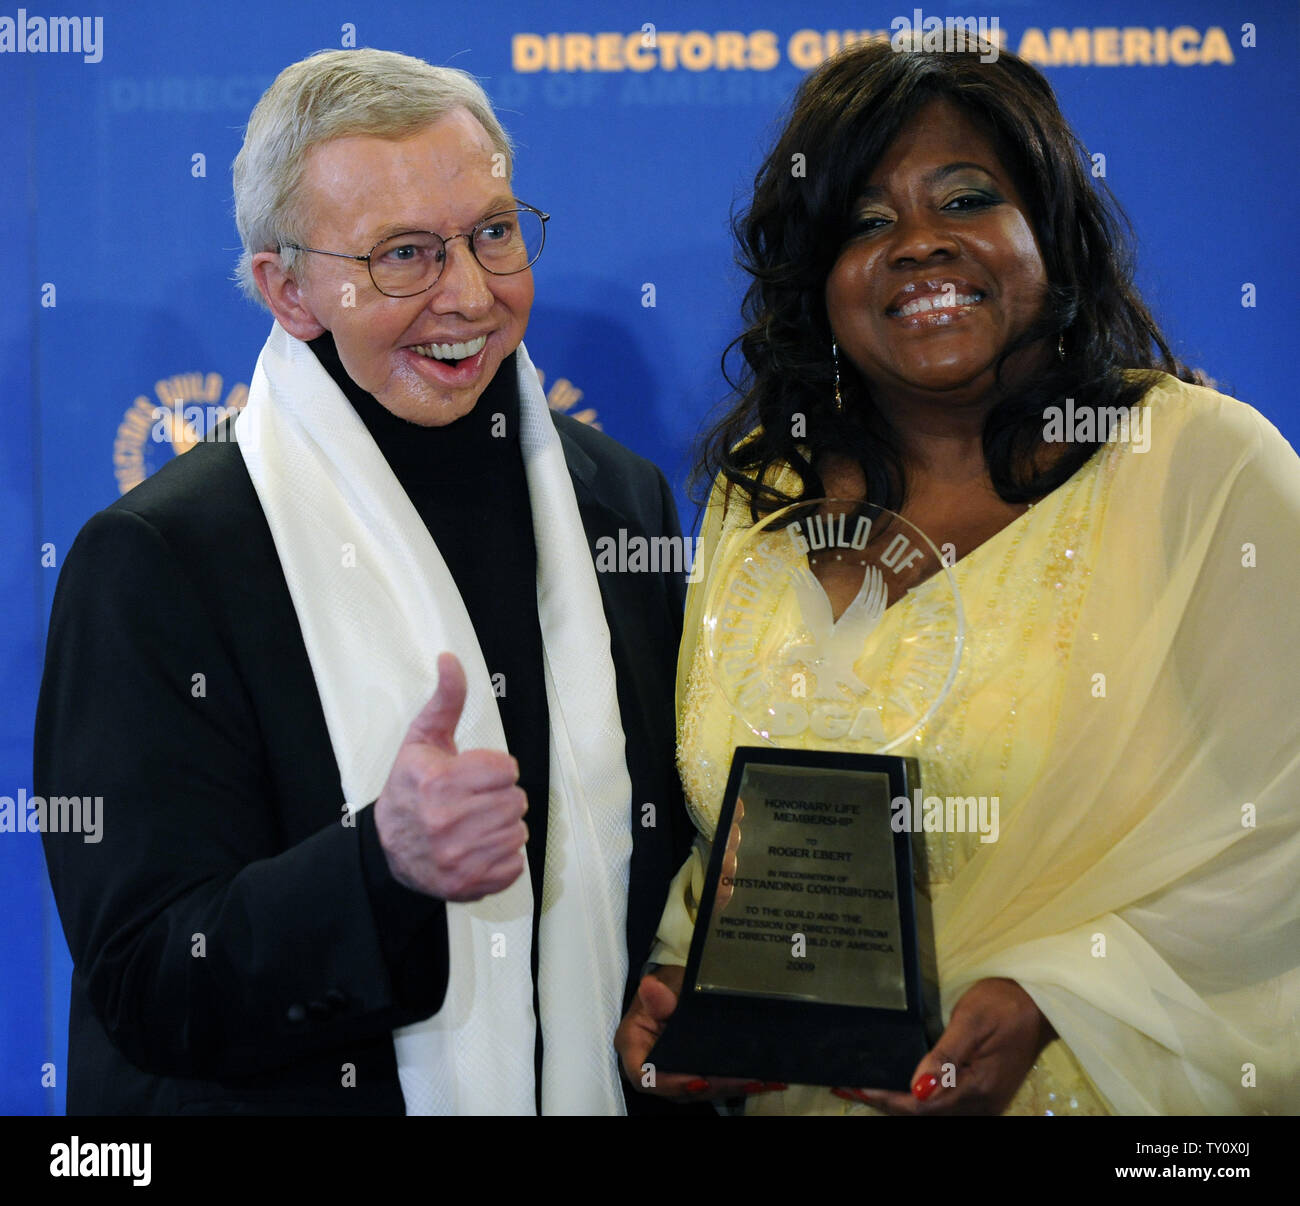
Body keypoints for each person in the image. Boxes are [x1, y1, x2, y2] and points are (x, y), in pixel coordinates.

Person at [616, 38, 1300, 1115]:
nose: (918, 247)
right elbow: (749, 822)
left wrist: (1055, 1000)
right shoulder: (764, 499)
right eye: (865, 223)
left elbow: (1284, 833)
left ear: (1052, 237)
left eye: (966, 199)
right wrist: (680, 975)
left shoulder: (1197, 466)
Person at [36, 48, 701, 1116]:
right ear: (287, 290)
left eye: (491, 233)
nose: (470, 295)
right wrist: (379, 864)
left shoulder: (616, 500)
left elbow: (663, 861)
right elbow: (146, 978)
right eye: (404, 256)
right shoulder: (161, 558)